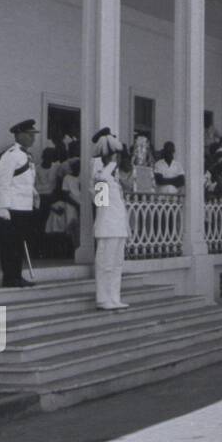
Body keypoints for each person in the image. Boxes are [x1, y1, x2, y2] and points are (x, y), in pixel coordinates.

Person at [0, 119, 40, 286]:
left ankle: (16, 276)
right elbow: (2, 183)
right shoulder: (11, 155)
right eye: (30, 135)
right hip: (13, 207)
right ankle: (11, 277)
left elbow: (24, 181)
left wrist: (34, 194)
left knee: (19, 244)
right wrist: (3, 207)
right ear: (19, 135)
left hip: (24, 207)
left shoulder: (25, 155)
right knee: (11, 245)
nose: (33, 138)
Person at [91, 129, 130, 310]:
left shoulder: (112, 180)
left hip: (118, 227)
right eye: (115, 156)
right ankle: (103, 298)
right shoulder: (101, 176)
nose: (118, 159)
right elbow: (101, 201)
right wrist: (110, 167)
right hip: (107, 227)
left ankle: (114, 297)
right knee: (105, 265)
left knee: (116, 265)